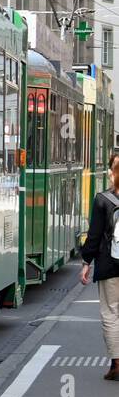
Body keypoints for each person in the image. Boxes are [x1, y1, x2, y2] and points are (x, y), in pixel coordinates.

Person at [80, 151, 119, 382]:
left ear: (110, 174)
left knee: (111, 313)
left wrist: (86, 262)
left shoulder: (102, 199)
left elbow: (94, 236)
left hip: (109, 265)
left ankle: (116, 363)